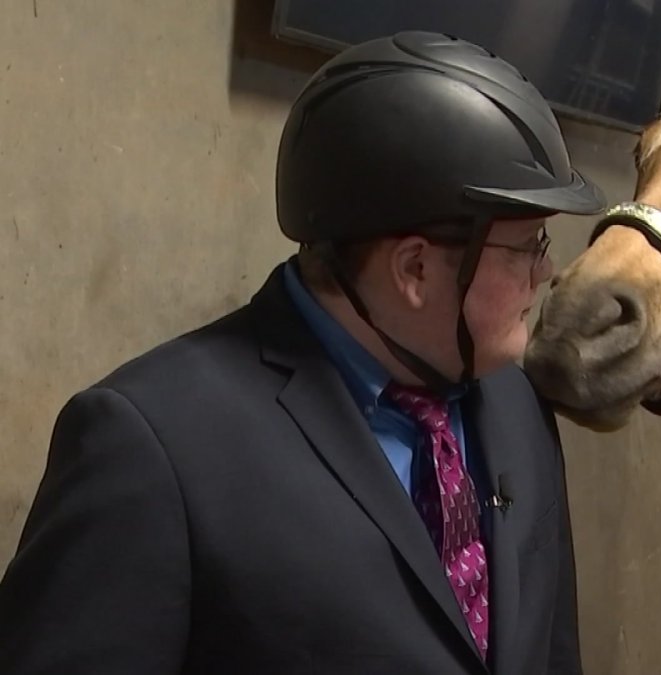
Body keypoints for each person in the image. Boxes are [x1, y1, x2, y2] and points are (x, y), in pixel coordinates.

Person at [0, 30, 606, 674]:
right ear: (416, 269)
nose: (546, 273)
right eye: (529, 245)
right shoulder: (152, 446)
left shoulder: (515, 401)